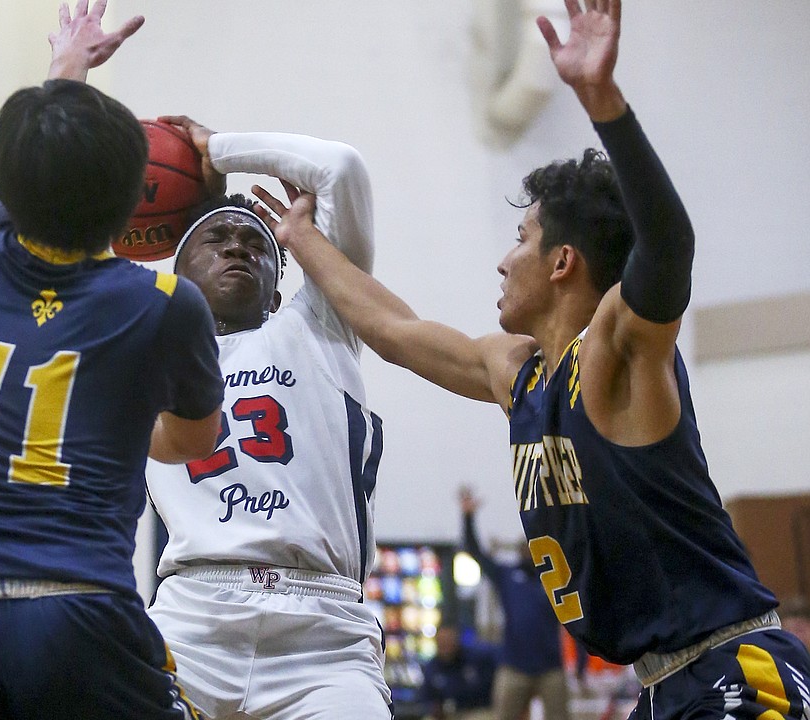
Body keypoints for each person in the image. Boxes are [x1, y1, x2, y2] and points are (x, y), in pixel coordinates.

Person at [256, 1, 810, 718]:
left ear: (562, 263)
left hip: (733, 666)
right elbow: (393, 329)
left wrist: (602, 101)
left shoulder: (616, 352)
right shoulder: (514, 370)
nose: (501, 258)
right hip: (660, 684)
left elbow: (668, 248)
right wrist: (302, 241)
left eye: (520, 237)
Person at [0, 2, 222, 718]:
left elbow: (29, 171)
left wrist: (69, 62)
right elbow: (194, 441)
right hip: (72, 609)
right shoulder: (167, 305)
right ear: (134, 214)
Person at [143, 115, 391, 718]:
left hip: (323, 634)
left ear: (281, 286)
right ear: (177, 278)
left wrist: (217, 152)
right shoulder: (145, 347)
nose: (237, 247)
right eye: (216, 240)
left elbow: (341, 169)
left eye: (257, 244)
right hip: (192, 621)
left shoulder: (319, 326)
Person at [459, 487, 570, 720]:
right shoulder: (507, 575)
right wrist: (468, 517)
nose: (528, 552)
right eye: (525, 547)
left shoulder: (555, 579)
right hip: (514, 666)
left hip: (550, 667)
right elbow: (475, 552)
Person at [419, 624, 498, 720]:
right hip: (446, 714)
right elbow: (426, 697)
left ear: (457, 640)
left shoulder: (476, 659)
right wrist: (433, 707)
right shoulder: (432, 667)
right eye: (442, 641)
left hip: (476, 711)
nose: (445, 644)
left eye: (449, 639)